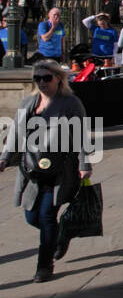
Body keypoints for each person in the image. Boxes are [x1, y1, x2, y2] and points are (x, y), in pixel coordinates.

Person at [0, 61, 94, 281]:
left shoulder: (70, 104)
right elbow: (15, 133)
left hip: (61, 170)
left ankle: (44, 266)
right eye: (38, 78)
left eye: (46, 78)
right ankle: (61, 235)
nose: (42, 82)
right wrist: (4, 158)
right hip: (32, 170)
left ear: (58, 79)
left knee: (46, 216)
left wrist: (84, 163)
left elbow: (81, 135)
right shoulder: (28, 103)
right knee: (31, 216)